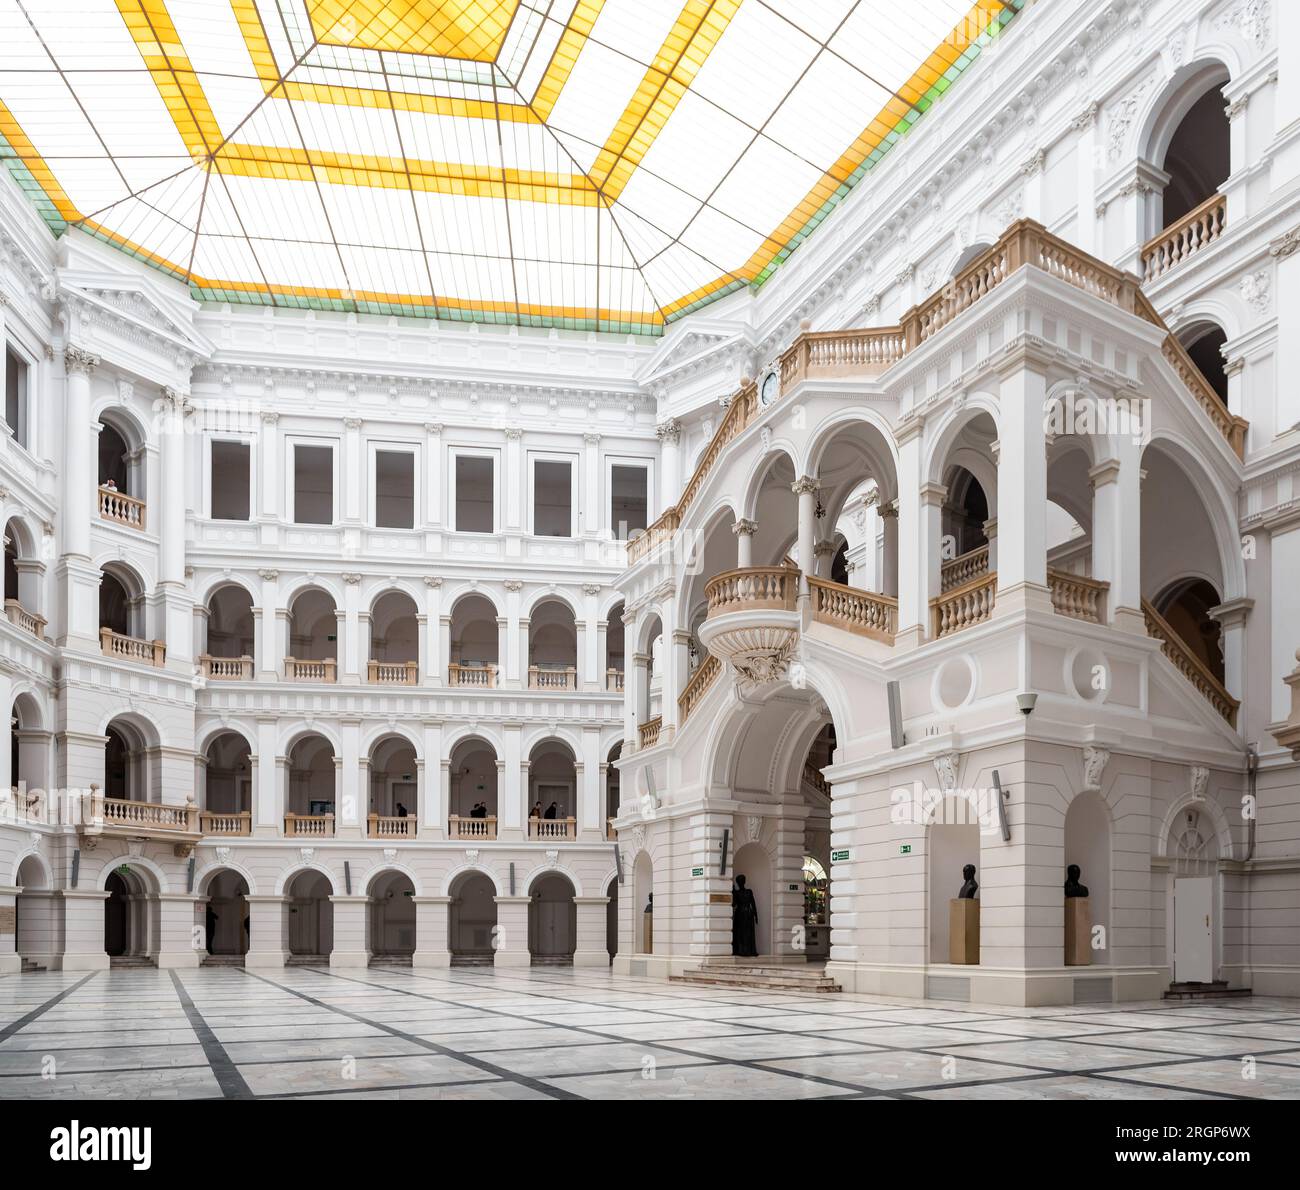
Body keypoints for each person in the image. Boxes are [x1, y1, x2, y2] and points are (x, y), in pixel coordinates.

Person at [732, 874, 758, 957]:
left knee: (746, 933)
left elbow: (753, 903)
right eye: (740, 881)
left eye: (742, 880)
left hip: (745, 913)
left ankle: (746, 951)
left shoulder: (748, 891)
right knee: (741, 933)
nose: (741, 882)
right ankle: (742, 950)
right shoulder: (739, 892)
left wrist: (756, 915)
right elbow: (734, 904)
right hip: (744, 913)